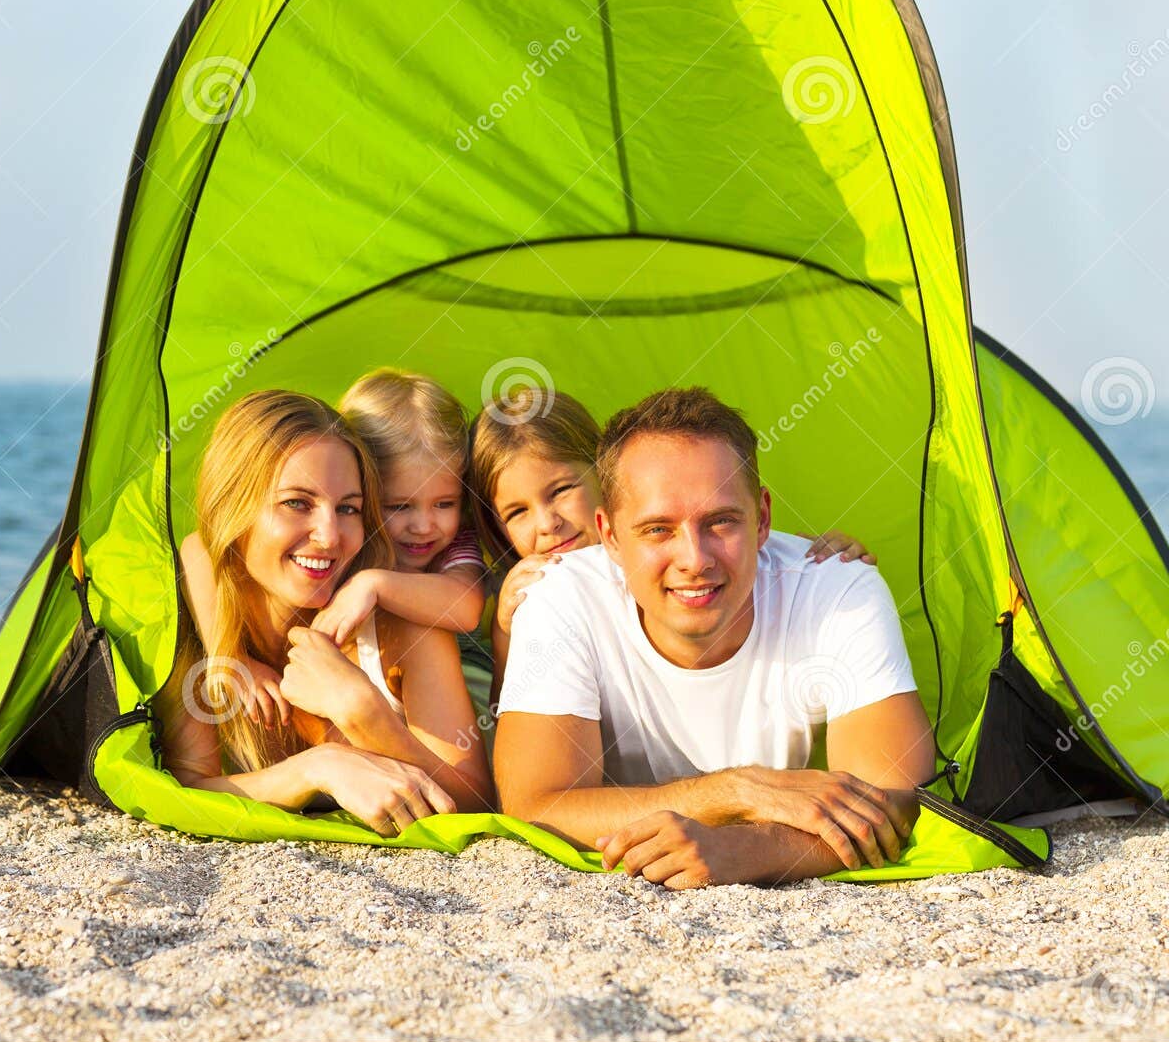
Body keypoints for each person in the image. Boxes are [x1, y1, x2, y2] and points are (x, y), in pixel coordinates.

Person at [492, 387, 933, 888]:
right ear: (610, 536)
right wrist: (734, 793)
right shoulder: (559, 595)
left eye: (720, 521)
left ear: (763, 517)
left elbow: (893, 799)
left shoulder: (839, 588)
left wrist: (743, 850)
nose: (695, 559)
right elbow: (536, 805)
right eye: (658, 529)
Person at [157, 390, 493, 836]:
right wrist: (320, 767)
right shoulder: (192, 615)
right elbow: (188, 787)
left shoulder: (404, 621)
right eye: (296, 502)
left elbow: (476, 803)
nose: (330, 535)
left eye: (348, 508)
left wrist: (363, 713)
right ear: (233, 508)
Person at [468, 389, 877, 708]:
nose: (547, 523)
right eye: (516, 512)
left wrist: (824, 559)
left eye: (561, 490)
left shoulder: (680, 549)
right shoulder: (528, 597)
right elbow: (512, 727)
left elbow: (743, 542)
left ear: (606, 480)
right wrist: (505, 631)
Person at [182, 368, 487, 726]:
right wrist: (230, 657)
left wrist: (372, 585)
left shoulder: (454, 544)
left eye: (445, 503)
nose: (423, 527)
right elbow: (199, 547)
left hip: (470, 679)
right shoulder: (346, 543)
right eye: (399, 506)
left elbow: (465, 607)